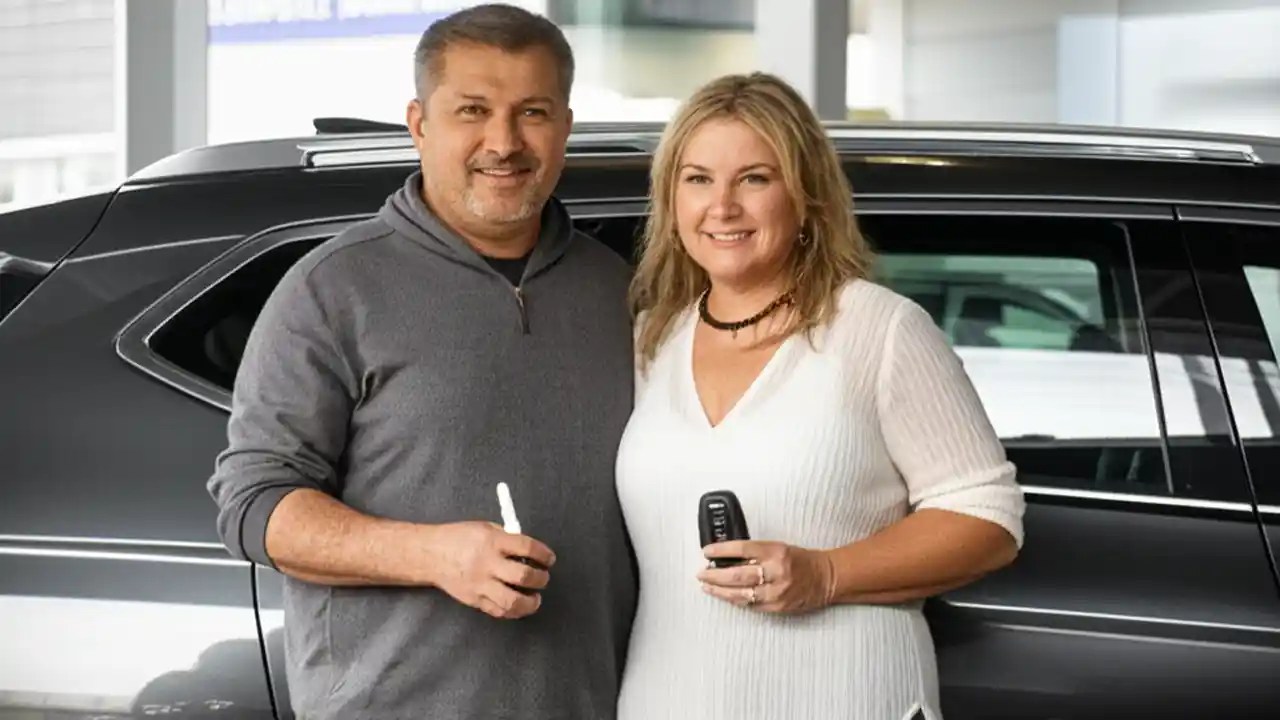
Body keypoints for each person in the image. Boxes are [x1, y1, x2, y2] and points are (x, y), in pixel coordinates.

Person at [206, 5, 637, 719]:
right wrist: (433, 556)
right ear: (418, 123)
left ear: (564, 125)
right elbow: (253, 507)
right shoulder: (332, 289)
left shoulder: (616, 288)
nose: (504, 142)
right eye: (472, 110)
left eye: (532, 112)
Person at [616, 72, 1025, 720]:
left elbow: (988, 518)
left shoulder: (879, 329)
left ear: (806, 196)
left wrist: (827, 575)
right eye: (697, 179)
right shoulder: (651, 340)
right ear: (670, 200)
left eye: (754, 178)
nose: (721, 207)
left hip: (847, 696)